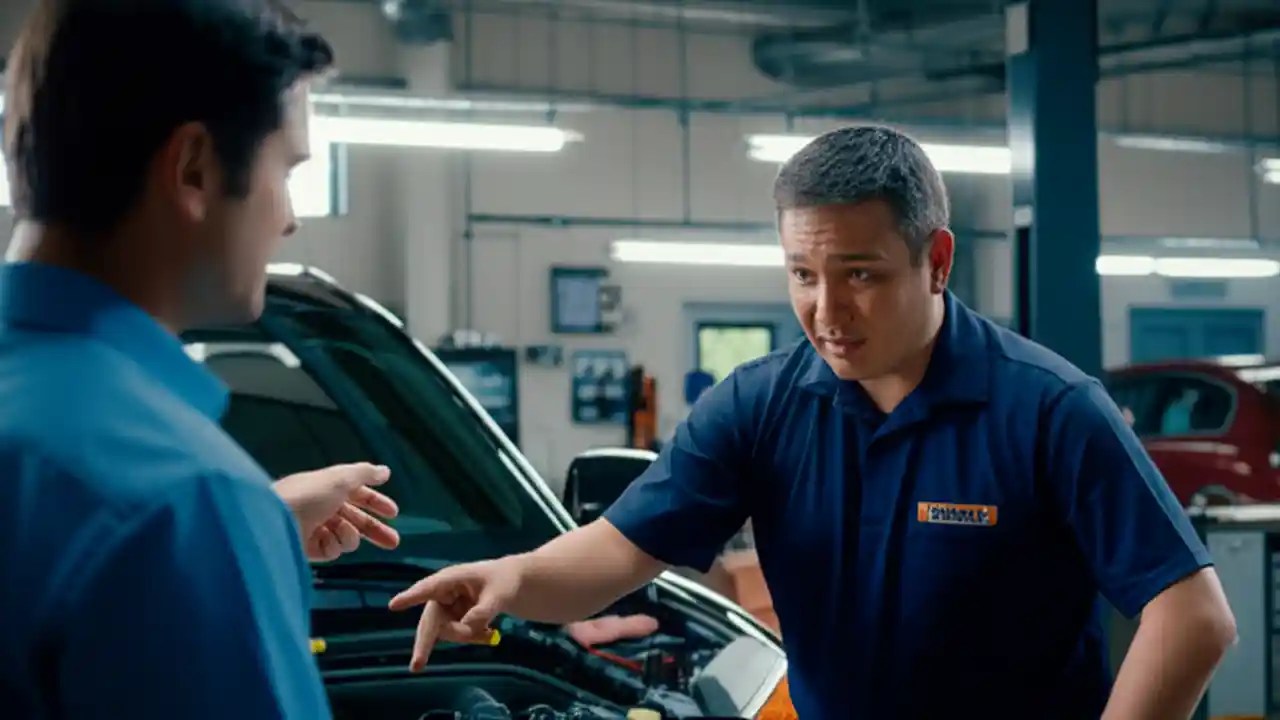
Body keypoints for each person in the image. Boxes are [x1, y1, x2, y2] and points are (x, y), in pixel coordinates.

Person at [388, 126, 1238, 718]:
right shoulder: (761, 404)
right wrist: (513, 579)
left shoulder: (1046, 410)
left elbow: (1193, 614)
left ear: (935, 260)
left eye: (859, 274)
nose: (825, 310)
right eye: (802, 272)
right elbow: (618, 551)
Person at [0, 1, 384, 717]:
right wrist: (222, 538)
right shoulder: (180, 496)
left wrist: (256, 524)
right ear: (196, 168)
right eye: (287, 167)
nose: (289, 217)